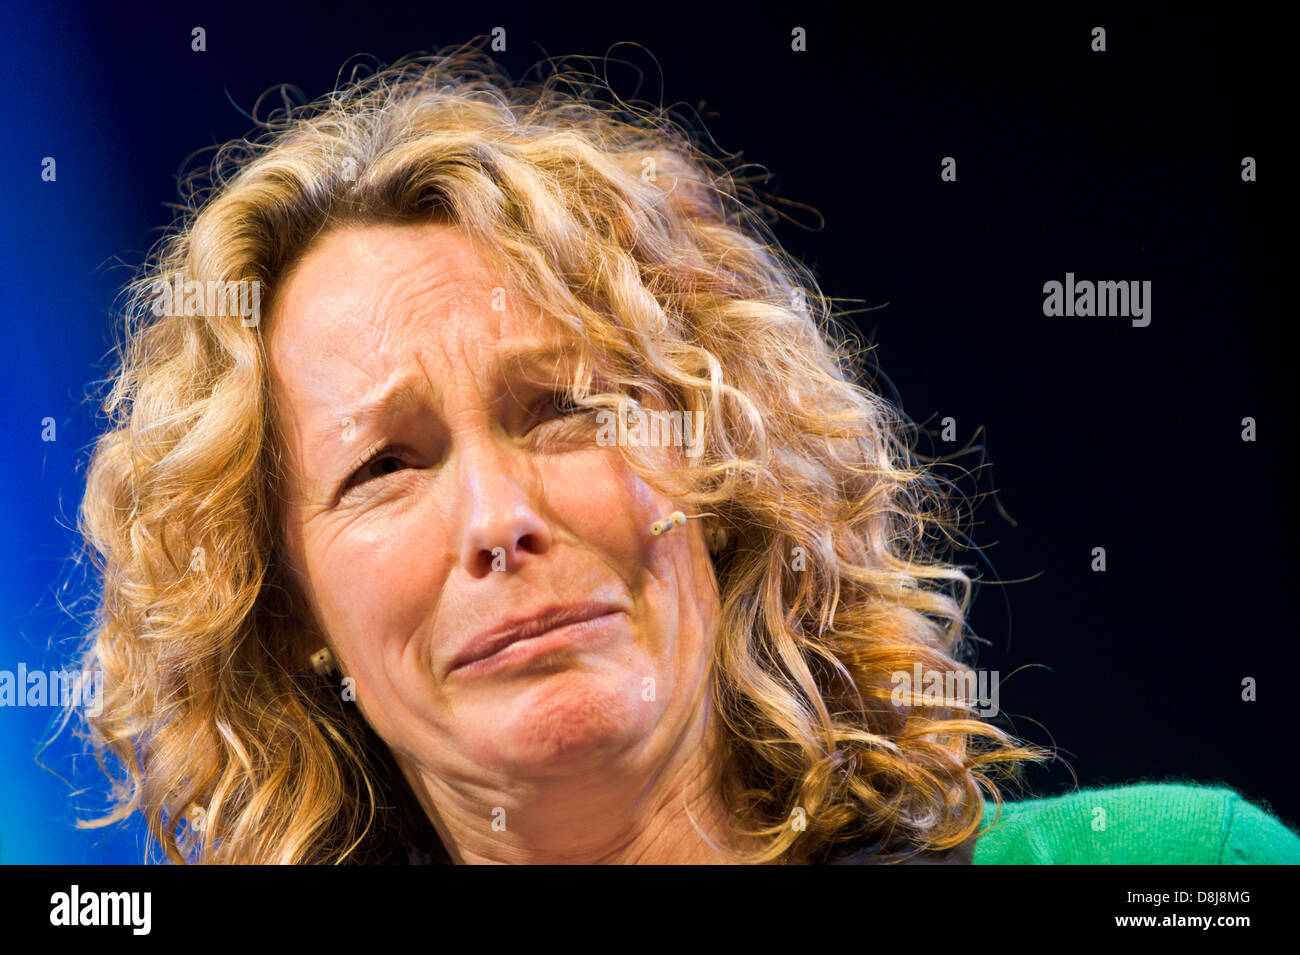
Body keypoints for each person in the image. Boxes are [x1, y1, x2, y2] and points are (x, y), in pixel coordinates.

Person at [73, 43, 1300, 864]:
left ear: (712, 471)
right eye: (384, 467)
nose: (498, 517)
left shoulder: (1171, 868)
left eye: (564, 409)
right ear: (289, 611)